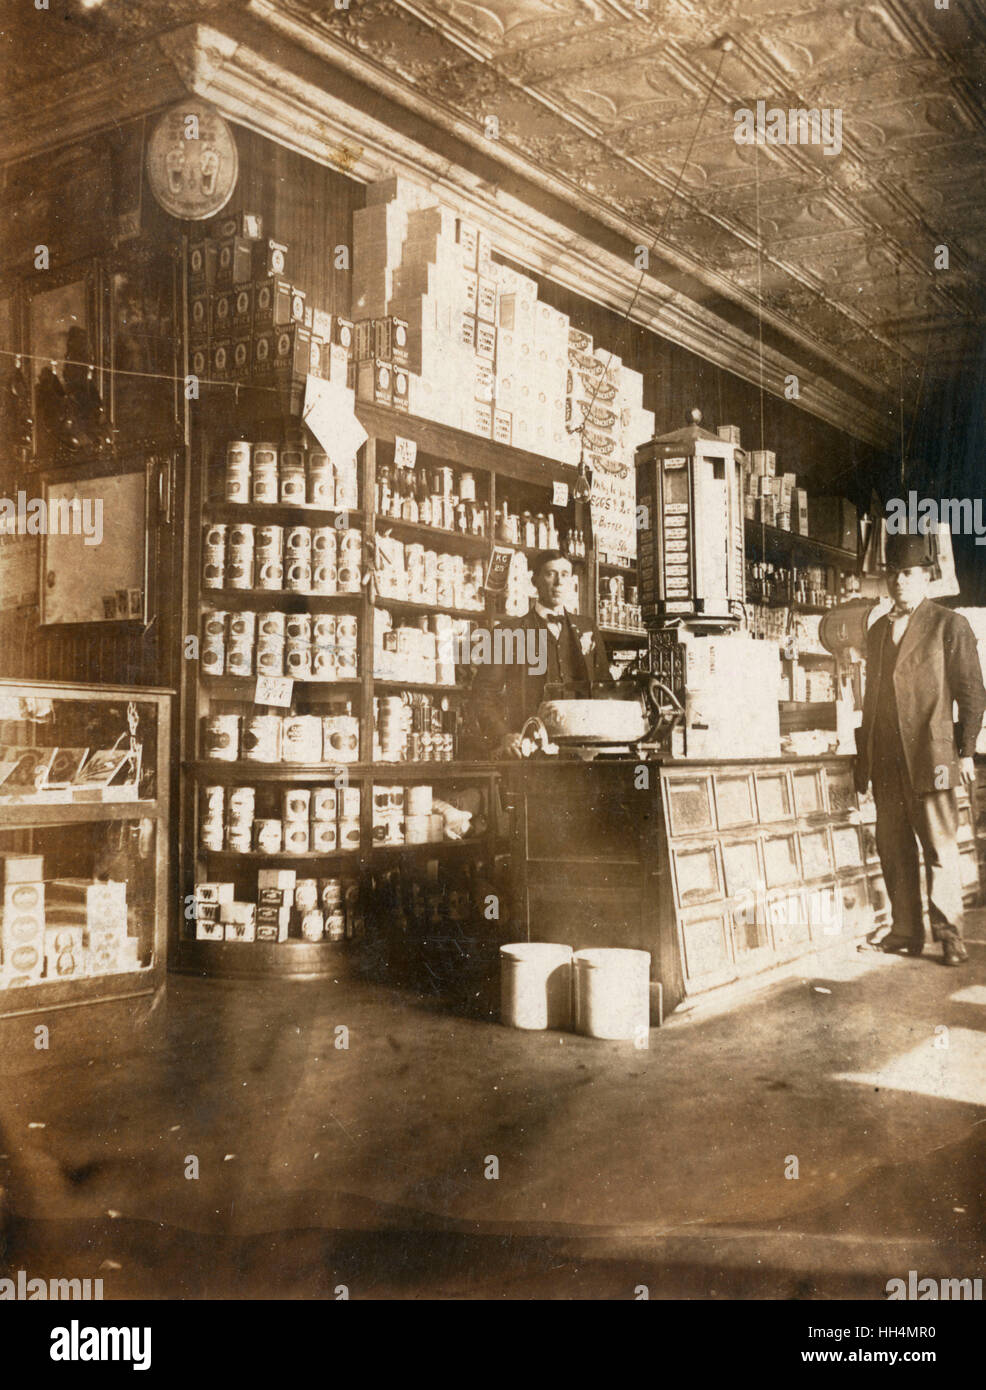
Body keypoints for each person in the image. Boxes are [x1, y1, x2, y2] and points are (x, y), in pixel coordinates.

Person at [855, 531, 986, 965]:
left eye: (908, 574)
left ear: (926, 577)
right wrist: (864, 762)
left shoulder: (950, 625)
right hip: (887, 762)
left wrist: (965, 750)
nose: (899, 582)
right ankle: (905, 931)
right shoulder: (876, 632)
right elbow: (870, 699)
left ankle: (950, 938)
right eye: (893, 574)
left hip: (932, 758)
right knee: (893, 849)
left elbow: (972, 694)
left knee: (940, 850)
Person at [467, 550, 610, 758]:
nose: (559, 582)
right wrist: (503, 735)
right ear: (535, 581)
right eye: (551, 574)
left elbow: (604, 686)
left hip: (583, 752)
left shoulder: (587, 627)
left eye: (565, 574)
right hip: (530, 753)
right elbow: (483, 693)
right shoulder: (508, 632)